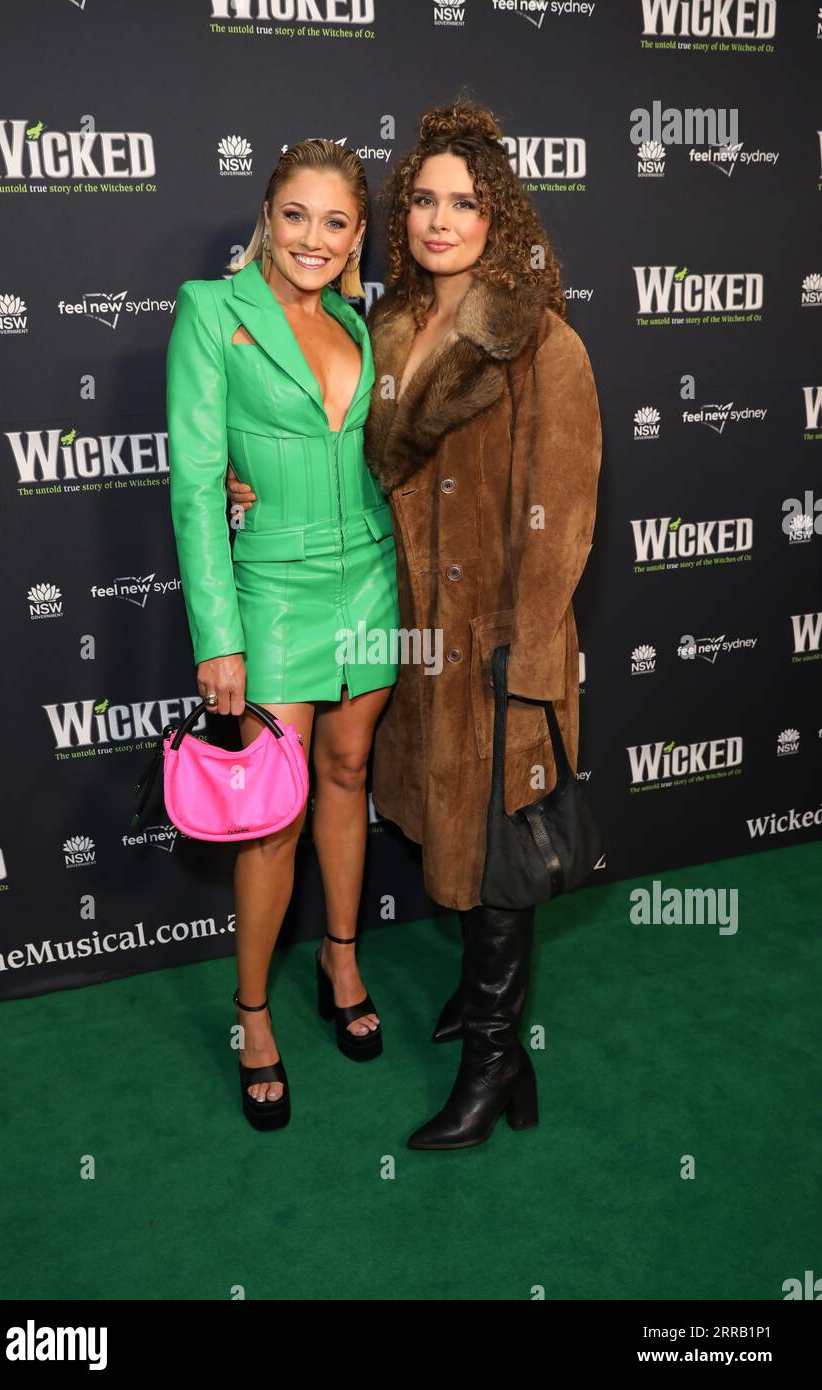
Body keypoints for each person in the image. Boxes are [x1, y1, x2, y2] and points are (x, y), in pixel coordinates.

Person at [226, 102, 602, 1150]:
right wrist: (238, 472)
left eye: (464, 203)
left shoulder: (540, 343)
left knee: (498, 848)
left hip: (492, 648)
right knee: (448, 834)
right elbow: (332, 445)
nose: (440, 220)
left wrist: (519, 663)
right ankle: (485, 1021)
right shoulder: (381, 326)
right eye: (424, 201)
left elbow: (562, 520)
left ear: (498, 216)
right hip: (404, 635)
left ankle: (492, 1061)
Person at [166, 139, 400, 1133]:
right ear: (267, 213)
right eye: (295, 215)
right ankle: (252, 1015)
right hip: (268, 587)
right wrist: (217, 638)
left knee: (350, 773)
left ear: (356, 238)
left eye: (336, 222)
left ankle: (339, 954)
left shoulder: (358, 319)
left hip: (369, 573)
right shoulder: (210, 313)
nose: (313, 238)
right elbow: (190, 482)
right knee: (274, 815)